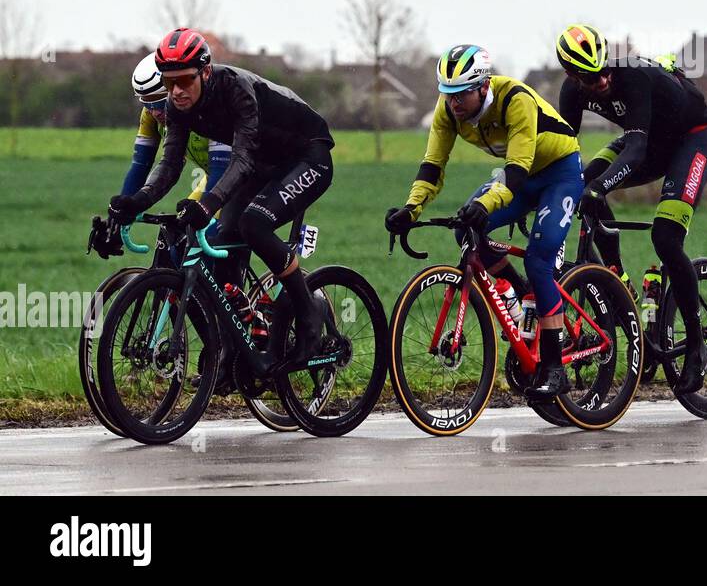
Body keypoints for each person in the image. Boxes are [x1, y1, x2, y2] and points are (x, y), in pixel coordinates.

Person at [106, 29, 334, 361]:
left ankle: (308, 311)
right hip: (265, 164)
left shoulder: (235, 89)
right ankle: (237, 347)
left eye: (185, 80)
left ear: (205, 72)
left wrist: (208, 203)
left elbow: (240, 159)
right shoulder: (177, 106)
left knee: (253, 224)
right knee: (225, 241)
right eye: (170, 84)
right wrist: (135, 202)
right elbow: (169, 166)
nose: (178, 91)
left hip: (307, 156)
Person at [384, 44, 583, 399]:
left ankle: (555, 368)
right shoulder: (449, 111)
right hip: (518, 175)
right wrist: (410, 209)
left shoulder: (515, 99)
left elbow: (517, 171)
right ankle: (520, 290)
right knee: (466, 227)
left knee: (539, 261)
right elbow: (433, 165)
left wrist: (485, 204)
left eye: (461, 94)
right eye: (447, 94)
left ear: (483, 86)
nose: (454, 103)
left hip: (558, 173)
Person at [554, 23, 707, 396]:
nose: (602, 82)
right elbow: (565, 150)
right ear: (571, 76)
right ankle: (617, 278)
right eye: (591, 79)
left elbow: (637, 151)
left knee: (665, 238)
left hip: (690, 142)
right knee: (579, 184)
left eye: (603, 72)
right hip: (645, 141)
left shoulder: (633, 77)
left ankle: (696, 345)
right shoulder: (571, 92)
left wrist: (599, 188)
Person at [90, 55, 232, 260]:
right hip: (214, 176)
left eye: (159, 102)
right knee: (175, 239)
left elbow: (222, 169)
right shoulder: (150, 115)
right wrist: (118, 219)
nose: (155, 112)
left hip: (242, 176)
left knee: (206, 239)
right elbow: (140, 166)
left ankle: (228, 289)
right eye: (146, 102)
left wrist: (206, 211)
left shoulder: (206, 110)